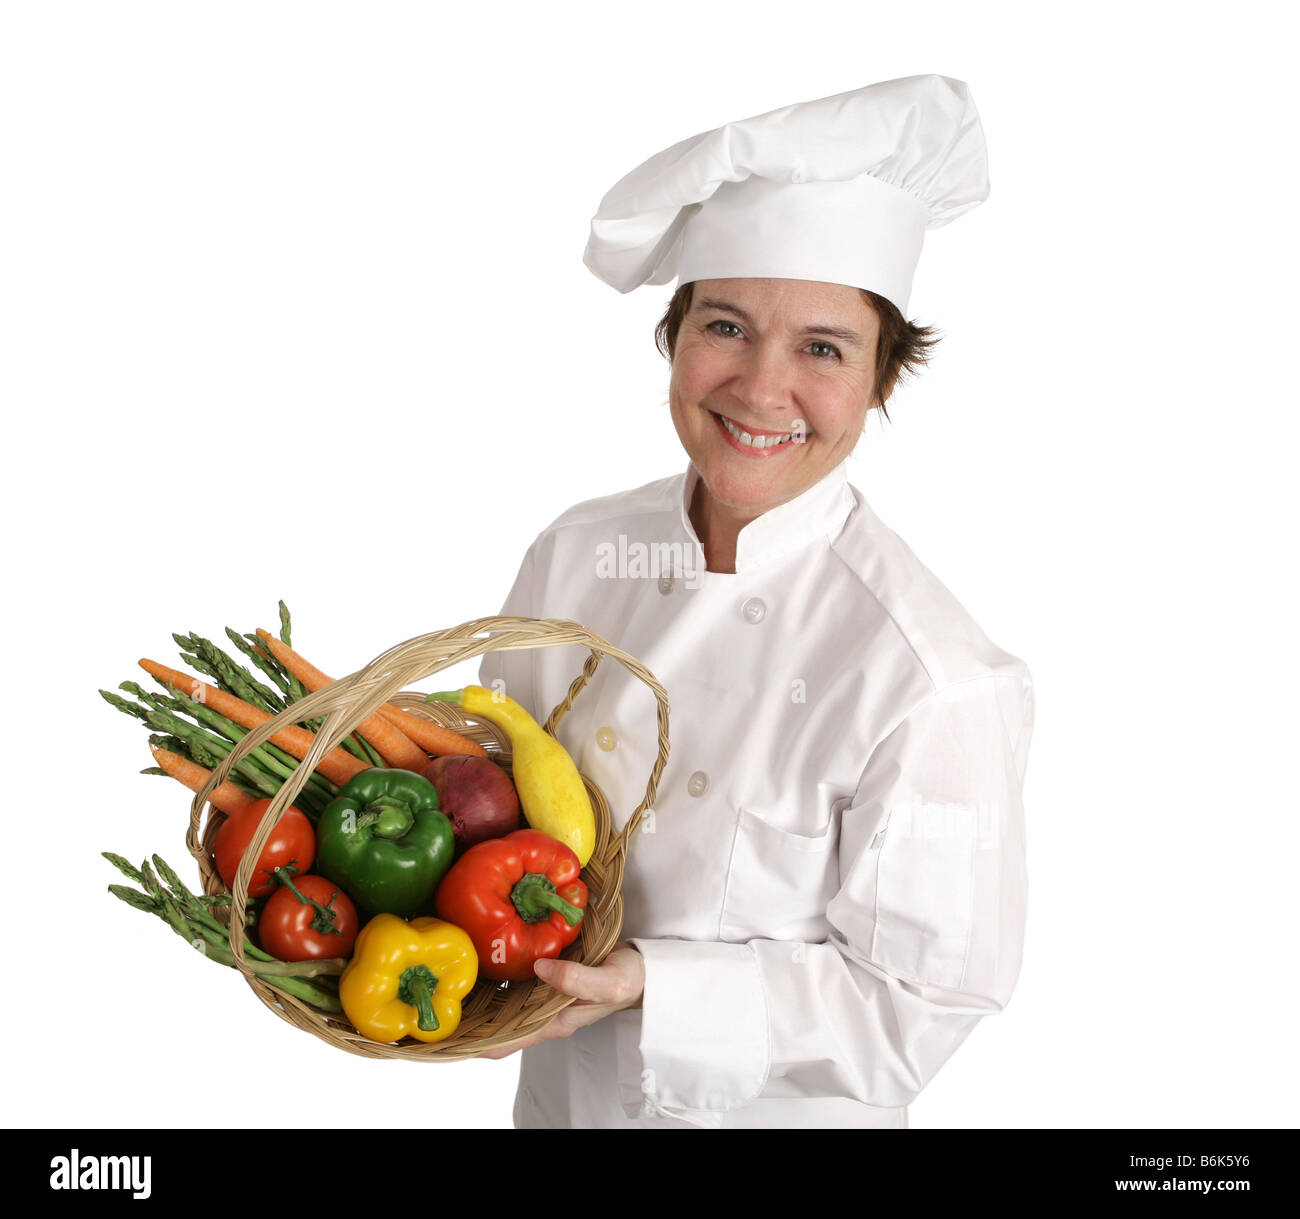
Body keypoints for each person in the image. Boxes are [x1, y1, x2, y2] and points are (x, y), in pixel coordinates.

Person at [475, 74, 1035, 1130]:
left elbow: (922, 1003)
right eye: (724, 326)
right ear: (674, 337)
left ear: (879, 379)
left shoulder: (933, 675)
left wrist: (656, 982)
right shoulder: (576, 556)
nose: (760, 388)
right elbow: (488, 793)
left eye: (822, 348)